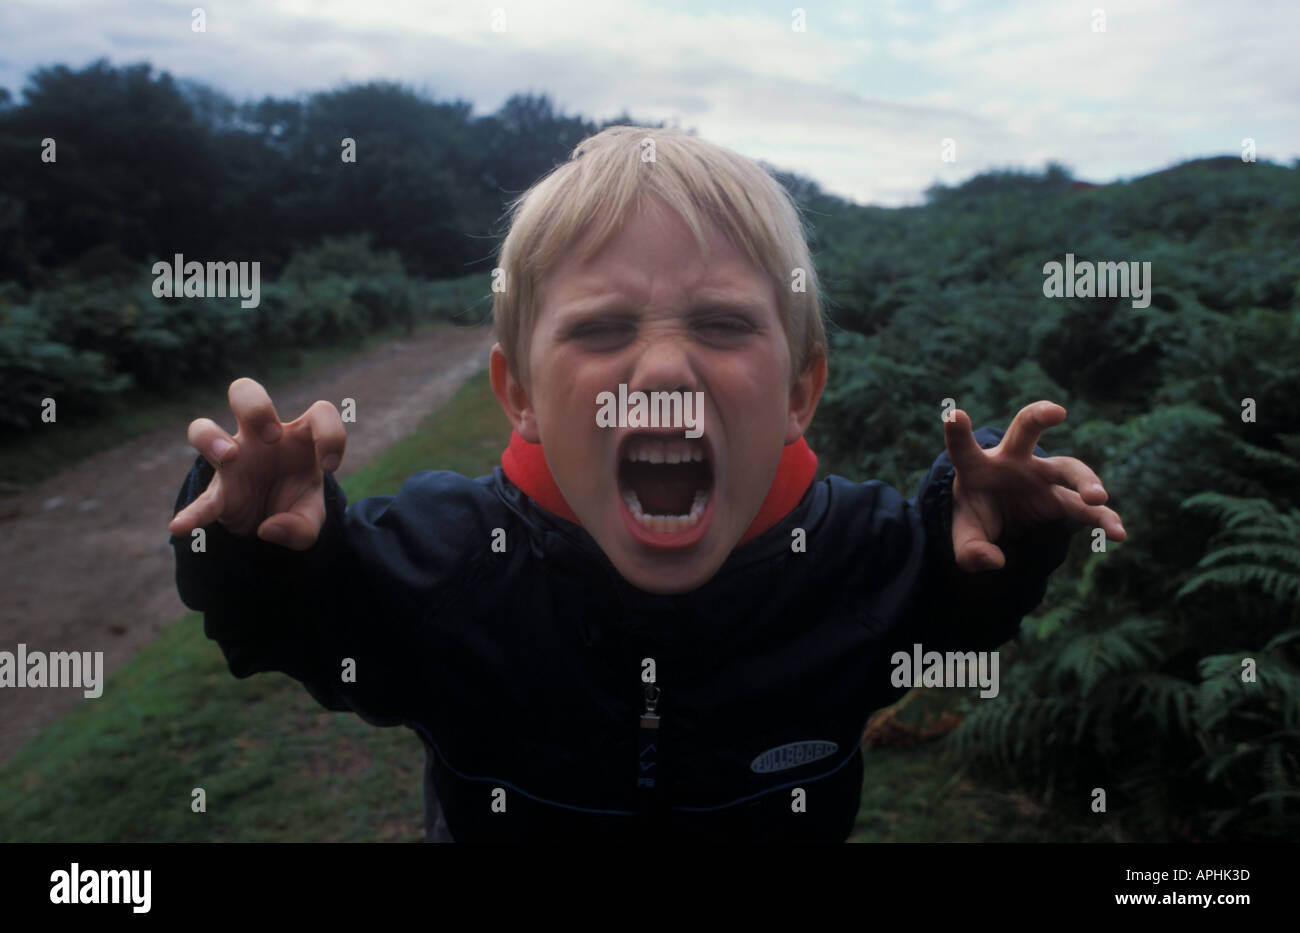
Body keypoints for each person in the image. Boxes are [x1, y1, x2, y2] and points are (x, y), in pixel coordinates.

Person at [168, 125, 1125, 841]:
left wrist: (999, 545)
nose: (664, 372)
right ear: (522, 392)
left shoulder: (858, 558)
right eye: (599, 328)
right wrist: (259, 547)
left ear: (800, 390)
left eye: (721, 324)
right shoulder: (447, 559)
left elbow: (952, 616)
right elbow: (308, 625)